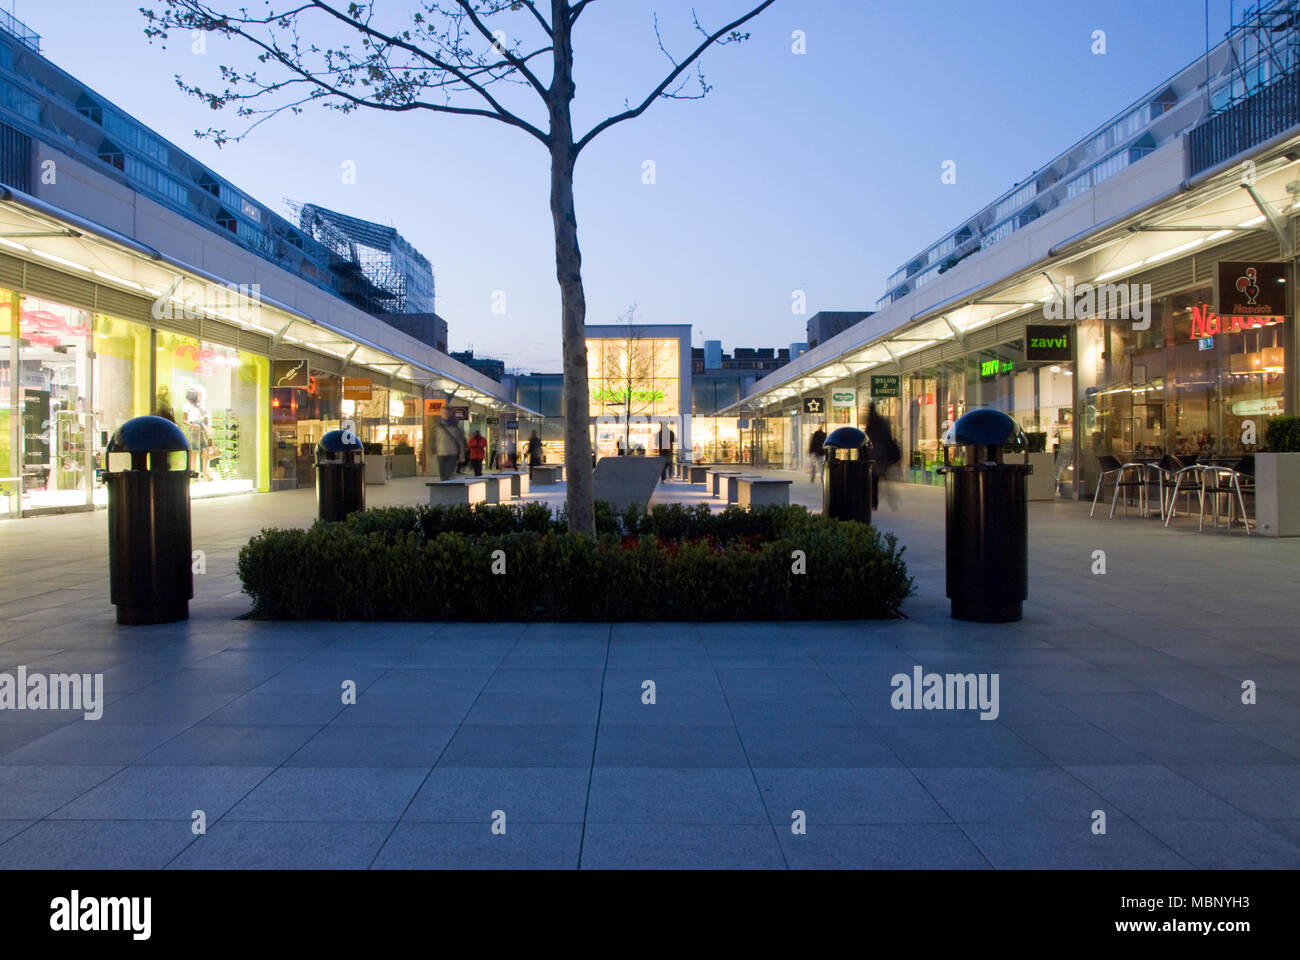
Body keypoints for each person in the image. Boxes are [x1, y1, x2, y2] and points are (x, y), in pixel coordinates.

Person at [865, 403, 901, 510]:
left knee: (873, 482)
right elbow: (889, 439)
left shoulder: (870, 425)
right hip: (883, 457)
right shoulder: (883, 423)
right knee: (885, 480)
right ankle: (891, 500)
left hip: (874, 458)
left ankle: (873, 502)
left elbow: (868, 442)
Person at [432, 408, 466, 481]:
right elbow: (433, 439)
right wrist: (433, 449)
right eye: (443, 413)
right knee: (442, 475)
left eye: (446, 413)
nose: (445, 415)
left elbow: (461, 442)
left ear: (450, 414)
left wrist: (462, 455)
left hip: (452, 453)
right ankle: (444, 488)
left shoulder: (455, 425)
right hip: (441, 453)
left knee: (448, 473)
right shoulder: (437, 425)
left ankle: (447, 488)